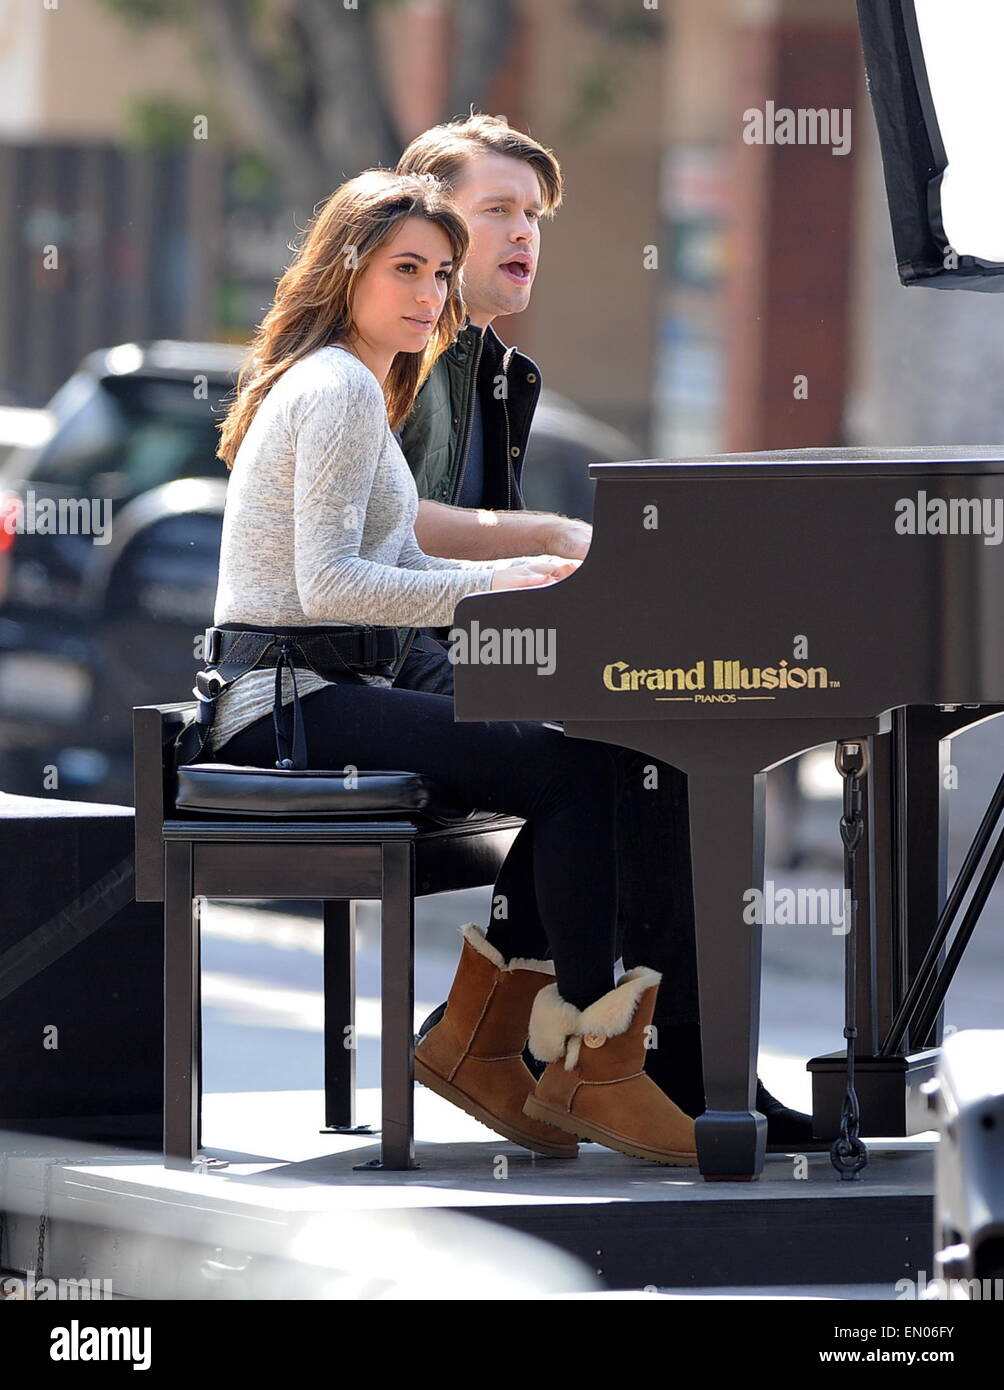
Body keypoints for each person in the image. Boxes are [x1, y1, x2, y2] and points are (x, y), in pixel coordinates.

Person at [205, 167, 697, 1165]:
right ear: (348, 269)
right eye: (405, 270)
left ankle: (493, 1042)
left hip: (320, 691)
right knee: (575, 766)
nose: (429, 295)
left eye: (440, 273)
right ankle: (582, 1058)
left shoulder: (347, 379)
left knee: (584, 757)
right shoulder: (339, 386)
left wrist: (528, 571)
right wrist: (502, 586)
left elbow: (394, 566)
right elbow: (330, 583)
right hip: (286, 702)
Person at [393, 113, 812, 1146]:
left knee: (670, 733)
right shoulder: (404, 356)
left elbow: (488, 561)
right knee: (632, 748)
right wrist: (551, 556)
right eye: (495, 209)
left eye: (531, 214)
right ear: (425, 224)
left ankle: (640, 1055)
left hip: (467, 648)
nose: (522, 231)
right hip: (391, 665)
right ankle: (619, 1057)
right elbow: (403, 543)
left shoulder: (504, 374)